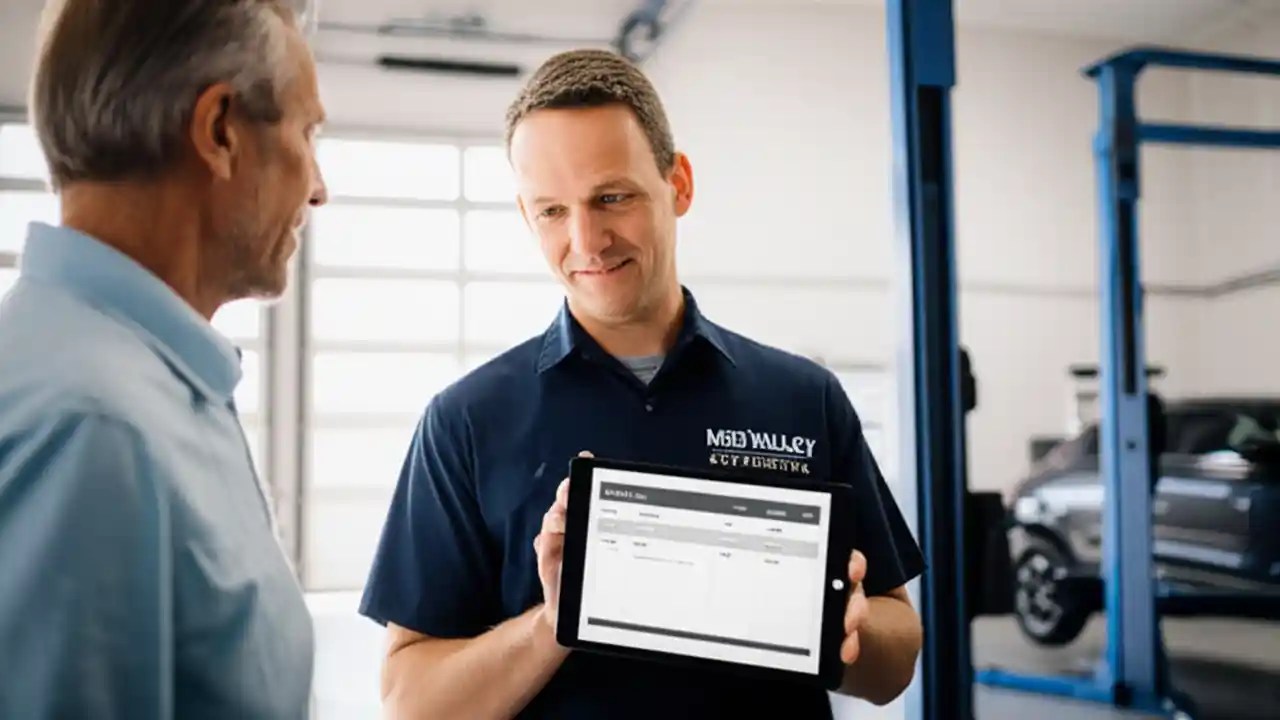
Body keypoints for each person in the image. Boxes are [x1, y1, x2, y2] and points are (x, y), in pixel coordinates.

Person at [359, 48, 924, 719]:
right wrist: (557, 619)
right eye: (551, 211)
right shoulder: (467, 422)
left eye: (612, 198)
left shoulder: (803, 398)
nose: (587, 240)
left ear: (678, 184)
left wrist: (845, 631)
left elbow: (895, 656)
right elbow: (412, 704)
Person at [0, 1, 327, 718]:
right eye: (307, 133)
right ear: (220, 131)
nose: (318, 188)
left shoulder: (139, 382)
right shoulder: (93, 426)